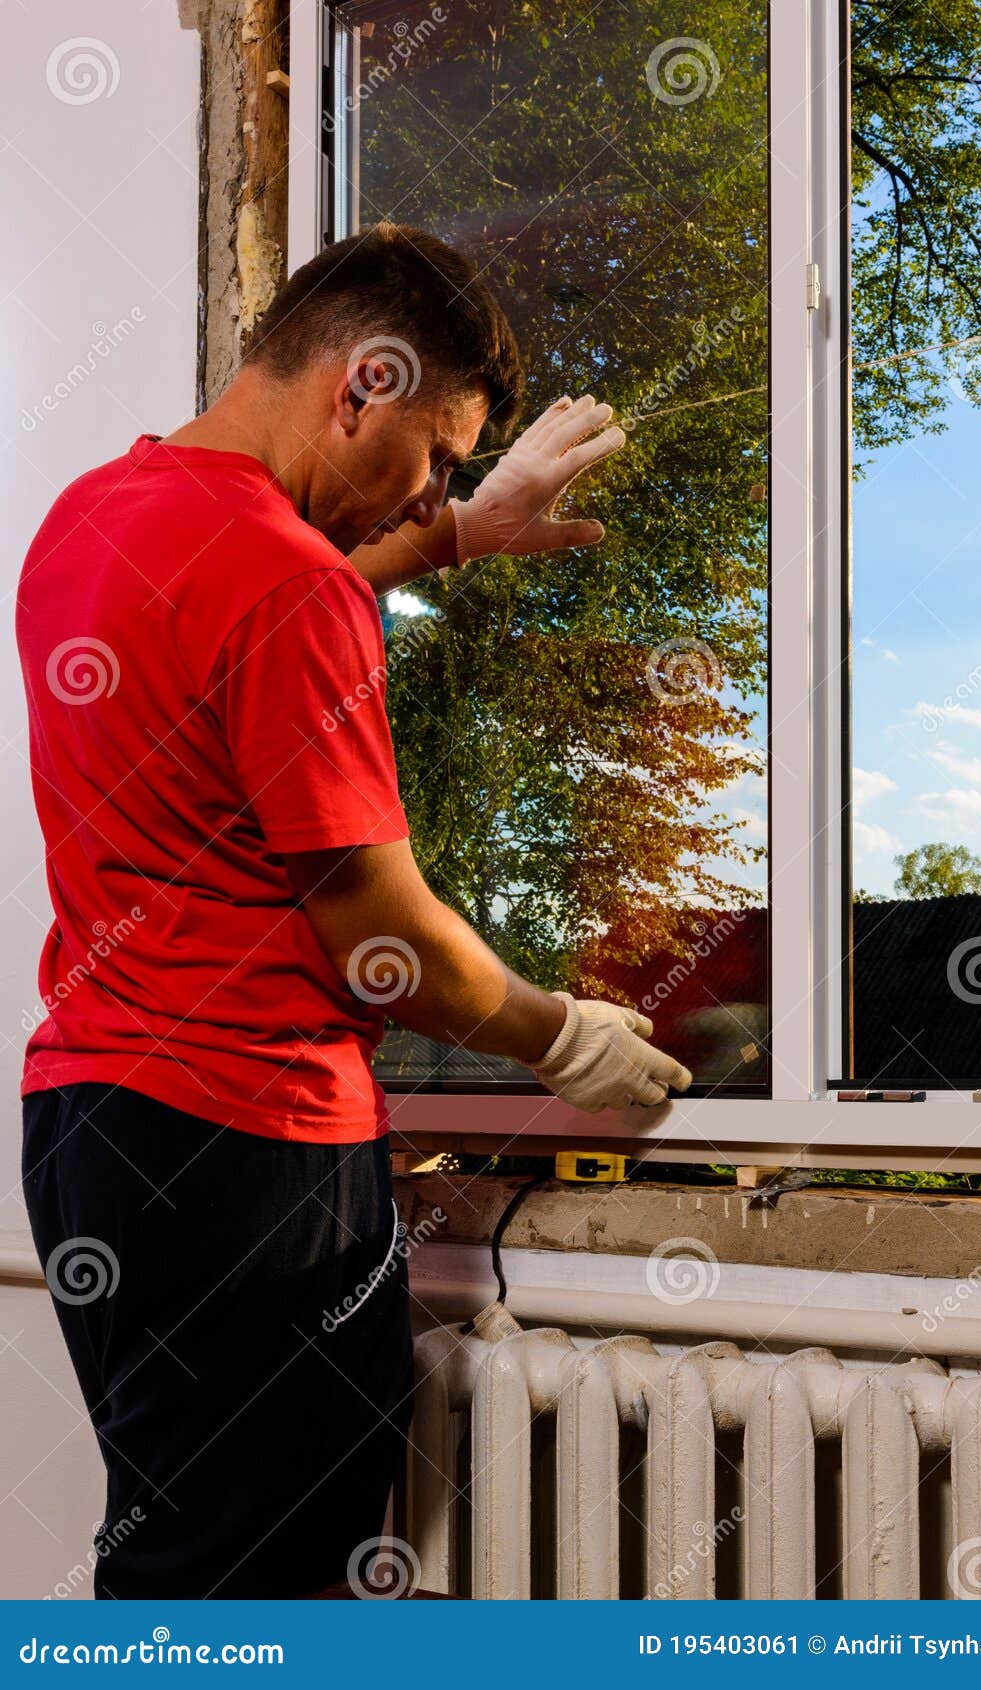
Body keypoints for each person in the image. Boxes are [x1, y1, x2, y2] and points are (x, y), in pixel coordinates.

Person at [16, 222, 691, 1598]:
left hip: (94, 1126)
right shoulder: (292, 583)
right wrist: (563, 1038)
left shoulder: (90, 515)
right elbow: (385, 942)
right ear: (360, 389)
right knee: (270, 1590)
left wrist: (454, 534)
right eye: (438, 457)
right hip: (251, 1148)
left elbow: (246, 606)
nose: (423, 491)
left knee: (187, 1555)